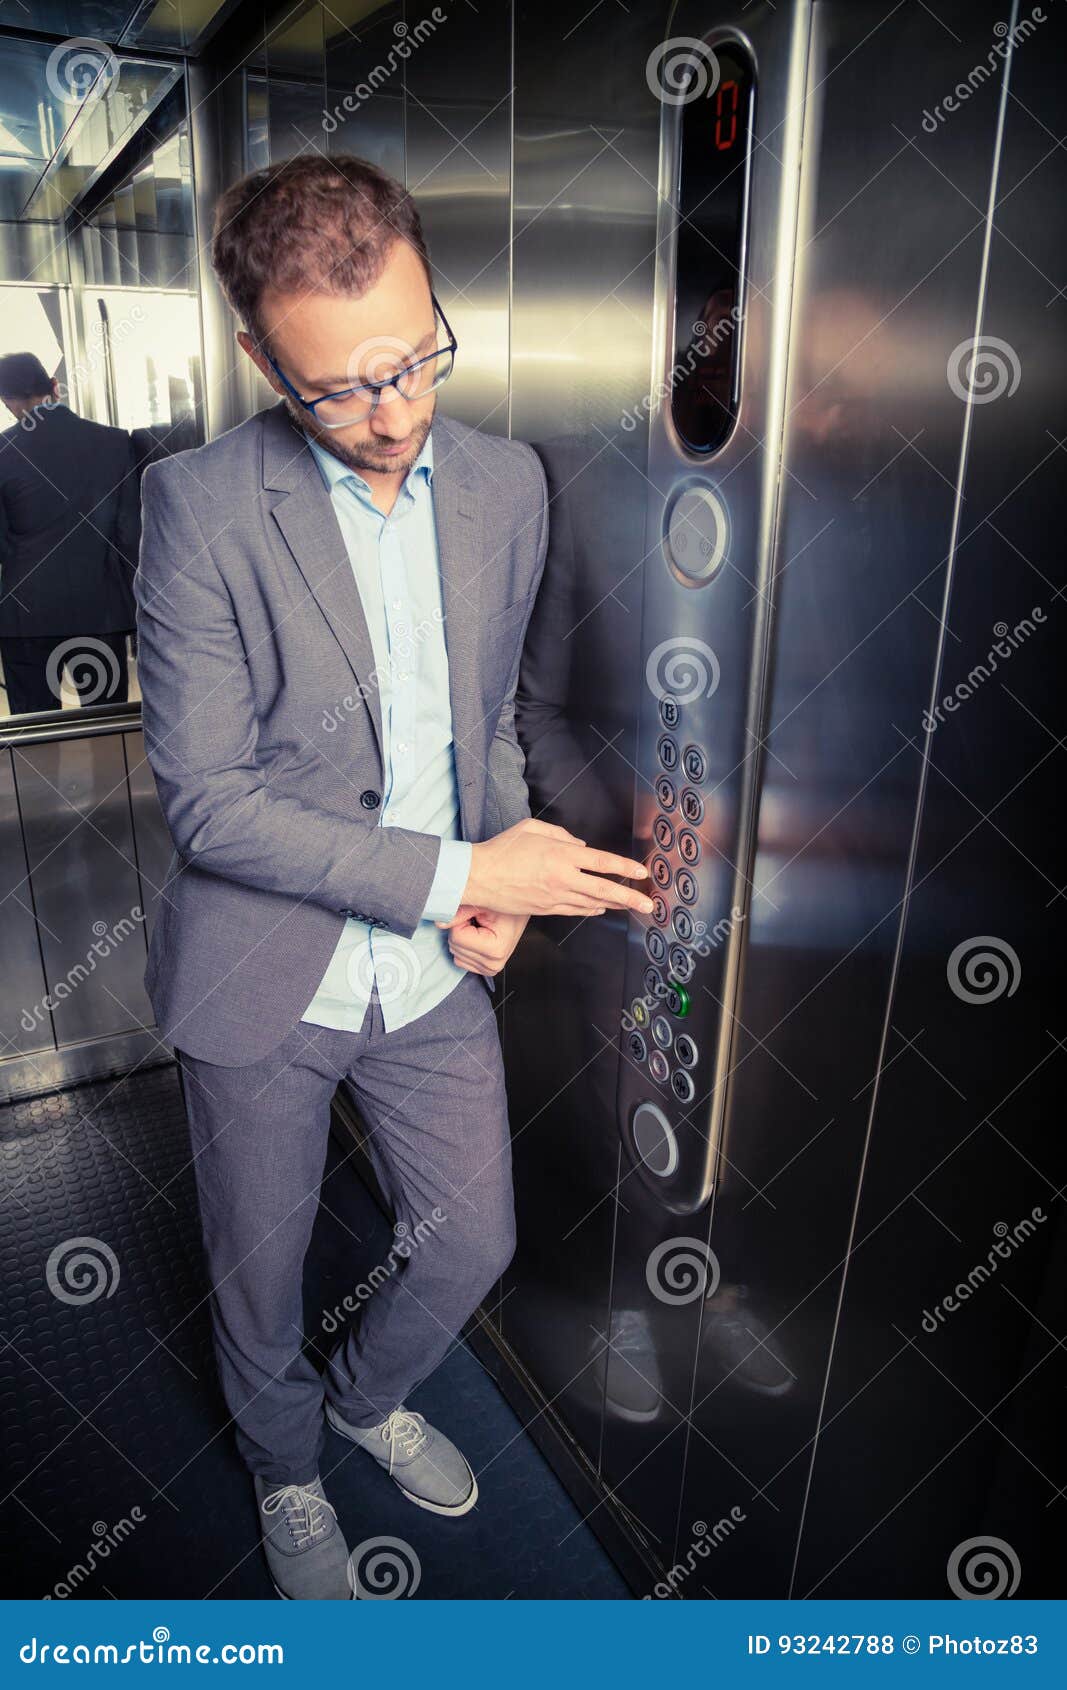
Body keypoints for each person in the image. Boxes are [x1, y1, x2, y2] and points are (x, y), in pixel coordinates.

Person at [133, 152, 654, 1600]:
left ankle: (364, 1399)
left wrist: (489, 883)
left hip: (433, 972)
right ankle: (286, 1465)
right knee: (257, 1268)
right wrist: (460, 868)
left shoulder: (504, 482)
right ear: (261, 362)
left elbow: (480, 721)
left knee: (470, 1240)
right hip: (263, 974)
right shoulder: (197, 507)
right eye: (344, 390)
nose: (396, 412)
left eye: (418, 359)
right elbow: (210, 804)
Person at [0, 354, 140, 716]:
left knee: (34, 728)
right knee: (105, 724)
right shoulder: (114, 442)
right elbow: (130, 536)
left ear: (8, 401)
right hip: (100, 612)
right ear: (54, 387)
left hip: (25, 618)